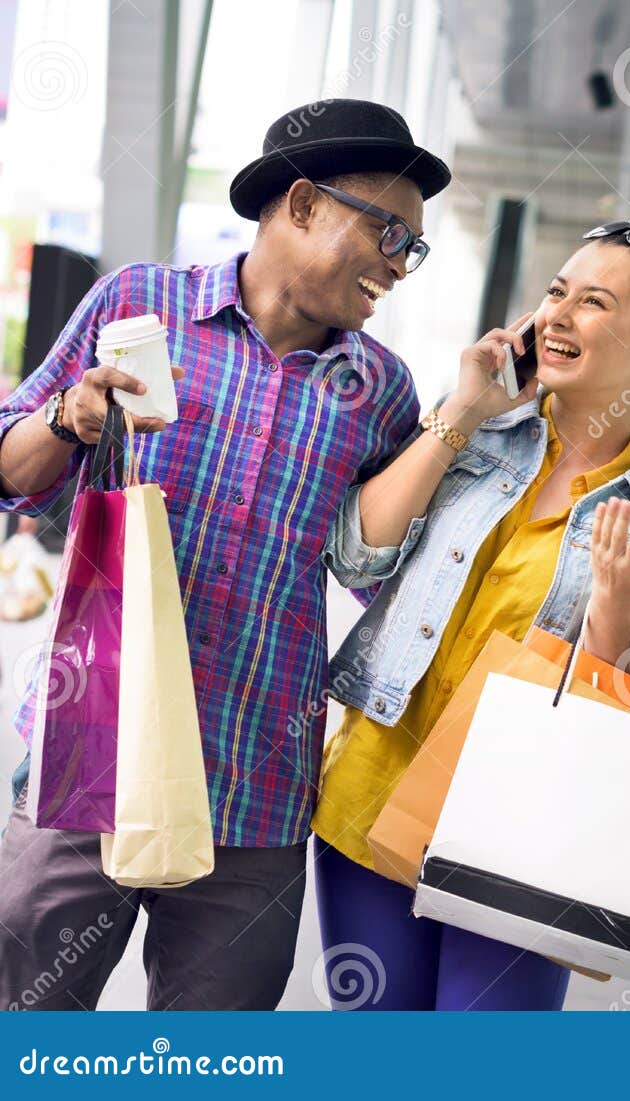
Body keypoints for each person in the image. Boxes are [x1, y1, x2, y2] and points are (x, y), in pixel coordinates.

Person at [0, 99, 448, 1011]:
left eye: (415, 248)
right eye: (391, 231)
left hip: (255, 791)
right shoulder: (138, 304)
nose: (400, 265)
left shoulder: (381, 391)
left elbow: (384, 576)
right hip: (88, 757)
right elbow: (11, 468)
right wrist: (67, 417)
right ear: (302, 204)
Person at [311, 220, 630, 1011]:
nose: (558, 315)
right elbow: (356, 558)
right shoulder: (471, 434)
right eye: (556, 293)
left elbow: (625, 722)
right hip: (372, 795)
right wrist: (464, 404)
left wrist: (613, 606)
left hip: (517, 835)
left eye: (594, 302)